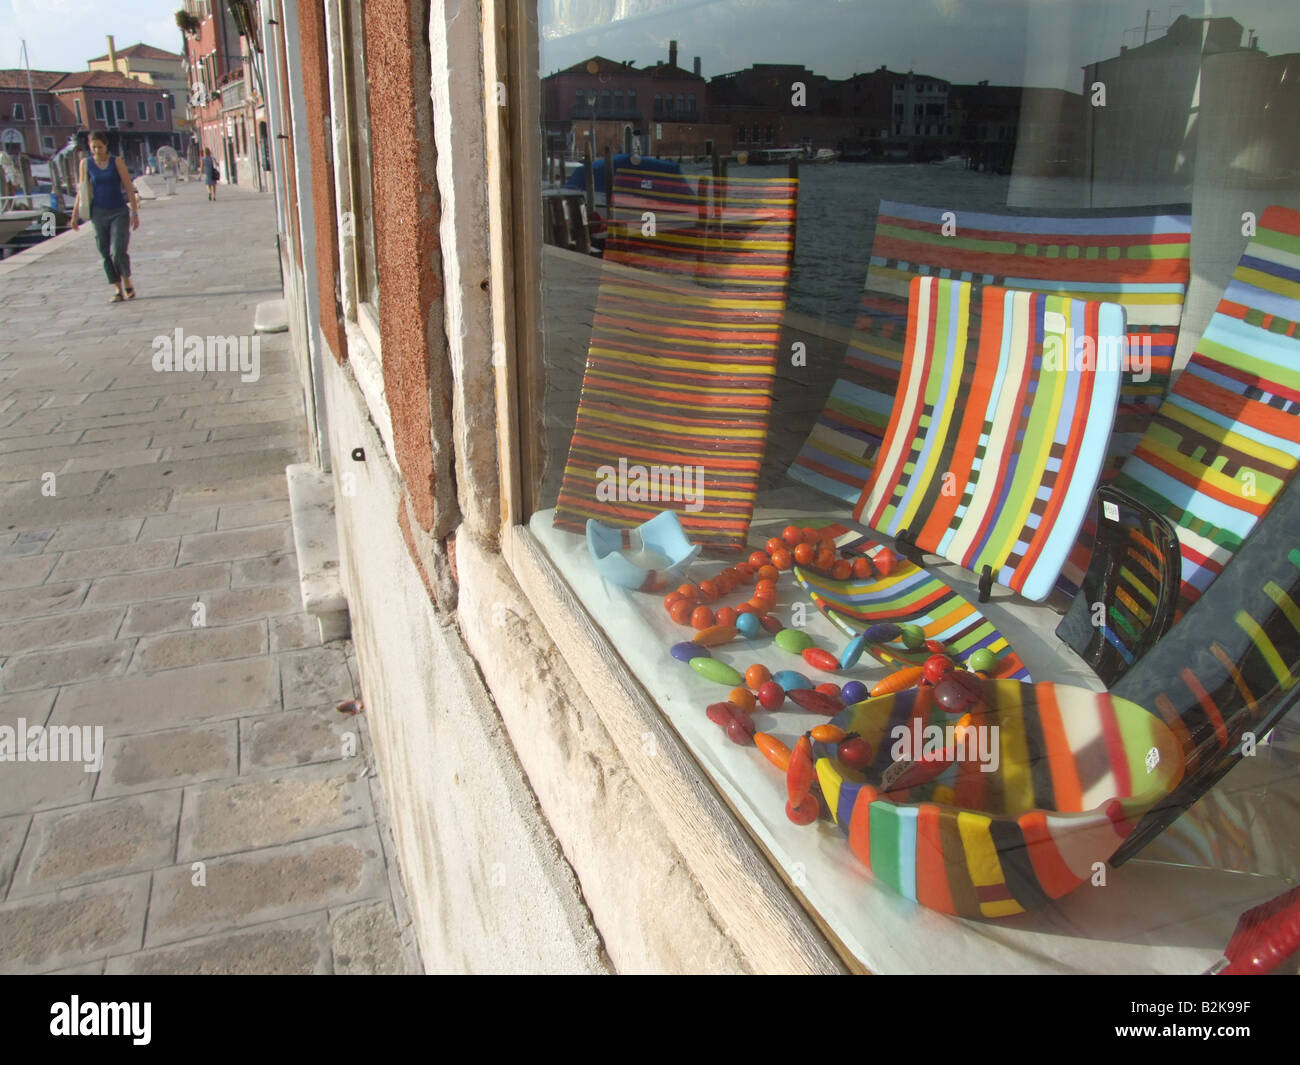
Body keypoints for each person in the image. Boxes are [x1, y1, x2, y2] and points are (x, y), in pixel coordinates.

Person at [71, 132, 140, 303]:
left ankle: (126, 280)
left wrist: (134, 212)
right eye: (93, 147)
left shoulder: (116, 162)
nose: (96, 150)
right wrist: (74, 216)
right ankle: (117, 288)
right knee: (104, 252)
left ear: (106, 145)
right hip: (98, 213)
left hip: (119, 211)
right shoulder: (85, 164)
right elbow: (82, 191)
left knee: (118, 250)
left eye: (99, 147)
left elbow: (129, 188)